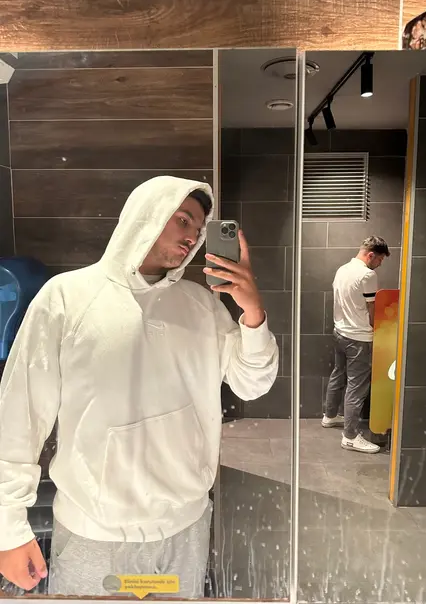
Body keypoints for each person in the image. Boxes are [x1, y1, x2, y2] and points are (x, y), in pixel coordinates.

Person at [0, 176, 278, 597]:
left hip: (185, 526)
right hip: (95, 531)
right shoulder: (67, 297)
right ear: (146, 215)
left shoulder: (201, 304)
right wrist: (8, 527)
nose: (192, 236)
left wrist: (253, 313)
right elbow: (20, 414)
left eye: (198, 228)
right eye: (182, 220)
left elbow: (252, 383)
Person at [322, 236, 390, 454]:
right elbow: (372, 310)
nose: (379, 264)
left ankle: (330, 415)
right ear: (371, 255)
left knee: (338, 373)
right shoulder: (367, 275)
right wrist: (379, 330)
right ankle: (350, 437)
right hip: (359, 338)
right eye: (380, 259)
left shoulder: (342, 270)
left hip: (340, 332)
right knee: (356, 387)